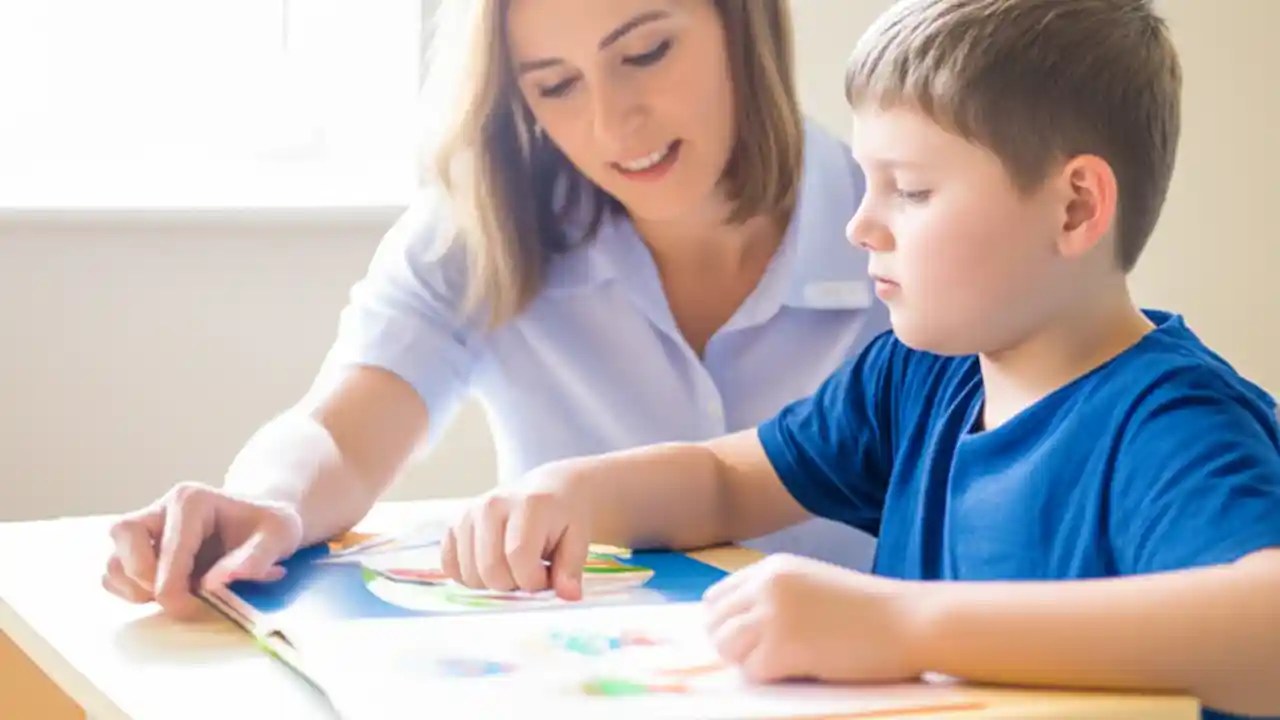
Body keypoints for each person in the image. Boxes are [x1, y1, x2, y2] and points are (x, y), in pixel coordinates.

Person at [439, 1, 1280, 718]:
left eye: (910, 190)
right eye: (865, 182)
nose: (861, 226)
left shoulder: (1171, 425)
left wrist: (901, 624)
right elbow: (726, 482)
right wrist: (571, 489)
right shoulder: (916, 378)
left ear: (1074, 206)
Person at [101, 0, 889, 619]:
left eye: (646, 53)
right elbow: (341, 432)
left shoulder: (903, 230)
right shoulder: (484, 230)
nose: (612, 123)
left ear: (740, 21)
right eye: (554, 84)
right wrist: (265, 501)